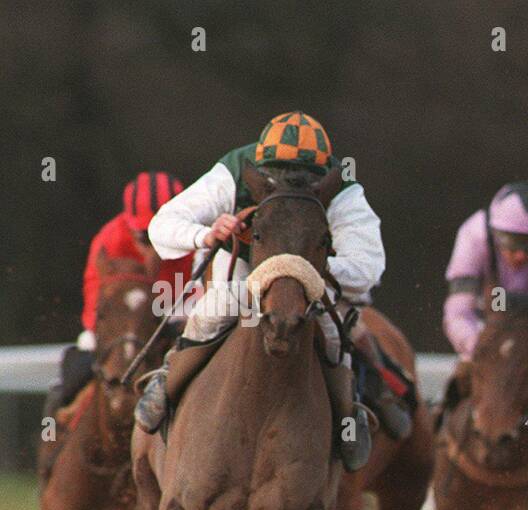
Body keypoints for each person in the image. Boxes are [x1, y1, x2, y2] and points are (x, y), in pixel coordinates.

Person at [138, 111, 404, 472]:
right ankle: (169, 381)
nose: (287, 184)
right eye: (276, 176)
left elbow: (368, 267)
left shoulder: (343, 190)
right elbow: (163, 225)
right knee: (219, 305)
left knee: (330, 330)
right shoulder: (232, 171)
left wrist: (306, 267)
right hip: (248, 265)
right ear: (260, 164)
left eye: (304, 179)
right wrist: (208, 233)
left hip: (311, 274)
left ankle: (346, 413)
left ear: (322, 176)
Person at [44, 172, 192, 421]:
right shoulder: (109, 240)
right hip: (118, 324)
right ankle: (54, 436)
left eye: (162, 232)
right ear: (130, 223)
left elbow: (194, 294)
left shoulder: (192, 238)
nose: (154, 242)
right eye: (146, 235)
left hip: (170, 317)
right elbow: (95, 301)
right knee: (75, 377)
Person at [440, 182, 528, 418]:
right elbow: (458, 311)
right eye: (512, 242)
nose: (521, 254)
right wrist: (478, 345)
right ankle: (442, 435)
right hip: (484, 334)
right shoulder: (474, 235)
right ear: (495, 234)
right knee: (456, 391)